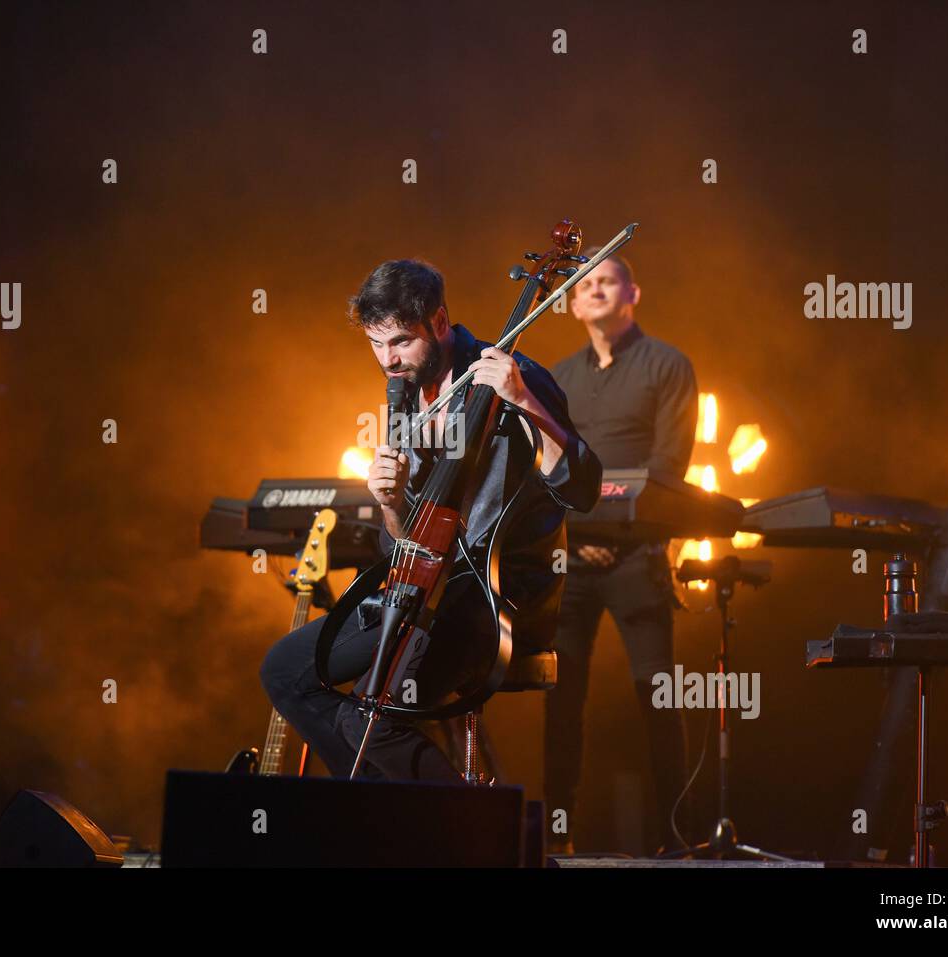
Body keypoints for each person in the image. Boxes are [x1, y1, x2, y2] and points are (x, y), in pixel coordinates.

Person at [261, 258, 601, 783]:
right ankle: (398, 825)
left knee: (365, 721)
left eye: (399, 342)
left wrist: (524, 401)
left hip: (493, 596)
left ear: (439, 323)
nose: (387, 360)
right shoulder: (404, 391)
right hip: (424, 587)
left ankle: (475, 842)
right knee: (284, 671)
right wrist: (390, 501)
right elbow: (408, 540)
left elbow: (582, 489)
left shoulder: (515, 377)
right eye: (376, 345)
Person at [545, 248, 698, 854]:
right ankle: (557, 841)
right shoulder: (555, 376)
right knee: (559, 696)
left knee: (656, 693)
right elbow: (545, 469)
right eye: (587, 284)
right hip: (572, 560)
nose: (597, 289)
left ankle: (677, 838)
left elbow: (669, 470)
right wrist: (577, 541)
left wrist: (618, 538)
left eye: (610, 280)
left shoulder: (669, 365)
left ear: (634, 294)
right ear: (572, 303)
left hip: (637, 557)